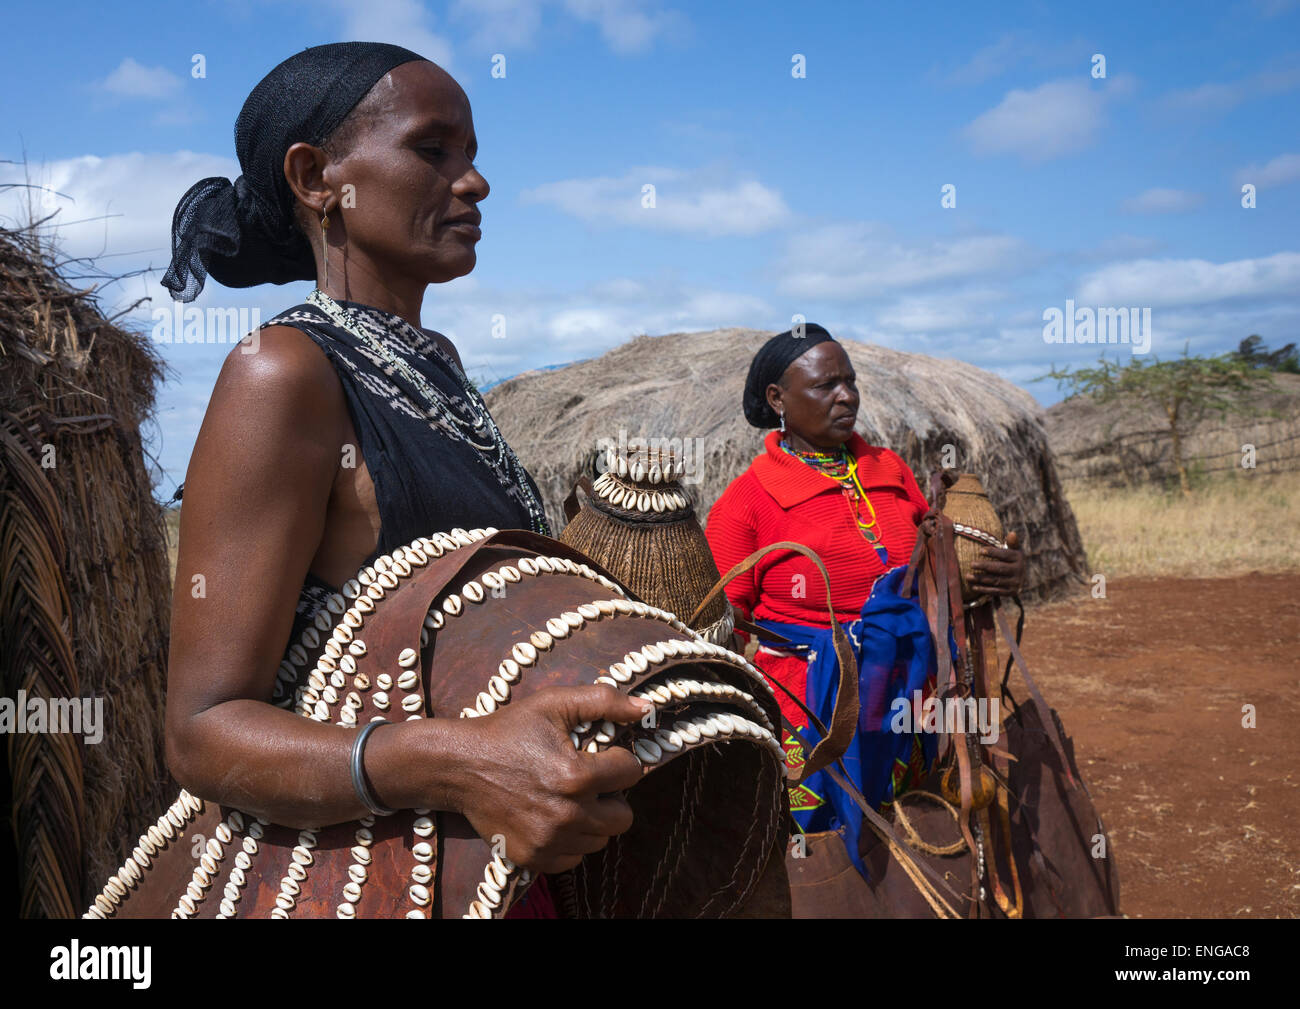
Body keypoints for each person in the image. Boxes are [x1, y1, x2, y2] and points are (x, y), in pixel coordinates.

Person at [161, 43, 651, 916]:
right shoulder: (282, 371)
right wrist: (461, 760)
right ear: (316, 178)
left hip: (496, 865)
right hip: (374, 881)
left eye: (472, 155)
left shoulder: (441, 368)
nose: (475, 183)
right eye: (433, 151)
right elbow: (203, 732)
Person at [704, 325, 1024, 874]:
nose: (846, 395)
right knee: (818, 855)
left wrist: (998, 570)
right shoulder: (748, 501)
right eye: (826, 385)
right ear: (778, 399)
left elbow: (934, 563)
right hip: (812, 708)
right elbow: (722, 622)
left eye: (850, 381)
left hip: (918, 685)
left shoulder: (890, 471)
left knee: (925, 825)